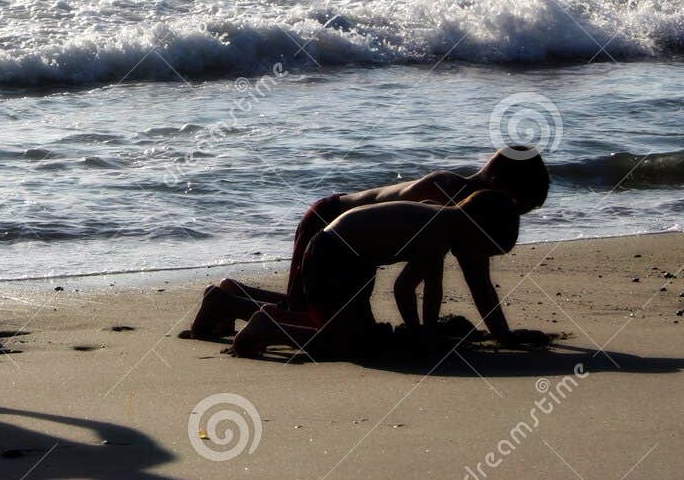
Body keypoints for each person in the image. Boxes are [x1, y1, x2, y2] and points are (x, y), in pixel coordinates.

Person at [190, 148, 549, 341]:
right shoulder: (446, 192)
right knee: (314, 315)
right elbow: (387, 220)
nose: (513, 216)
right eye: (517, 206)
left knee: (330, 316)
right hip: (328, 226)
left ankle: (232, 293)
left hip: (354, 259)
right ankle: (225, 302)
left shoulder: (471, 216)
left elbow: (479, 281)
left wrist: (503, 335)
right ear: (497, 182)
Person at [229, 189, 526, 358]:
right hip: (332, 257)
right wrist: (428, 337)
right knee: (347, 344)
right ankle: (267, 324)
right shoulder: (438, 232)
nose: (477, 258)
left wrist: (416, 329)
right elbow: (431, 291)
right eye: (483, 249)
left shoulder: (438, 218)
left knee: (356, 334)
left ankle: (244, 306)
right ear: (477, 227)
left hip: (349, 260)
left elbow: (404, 287)